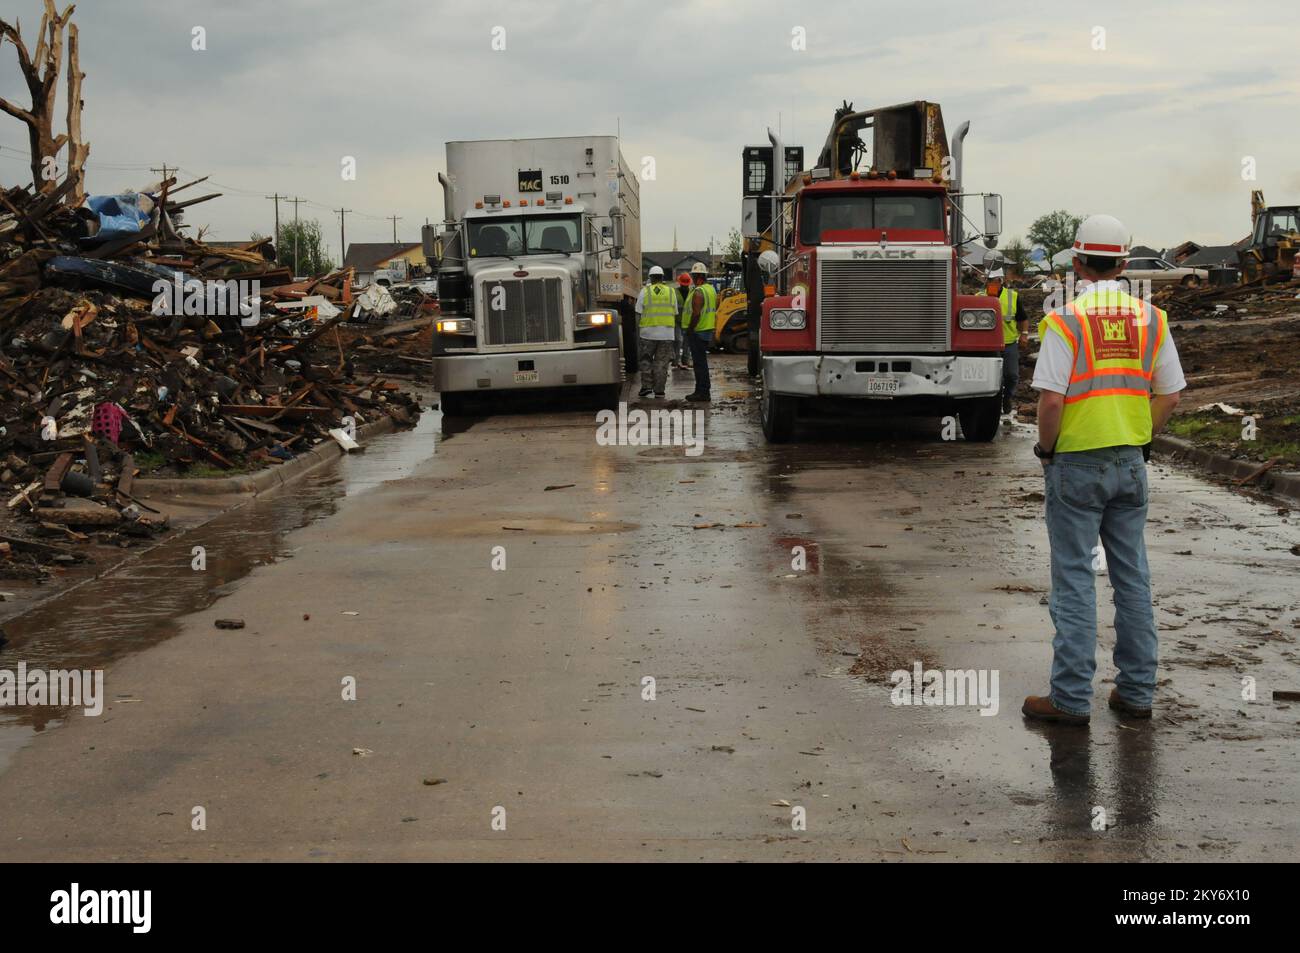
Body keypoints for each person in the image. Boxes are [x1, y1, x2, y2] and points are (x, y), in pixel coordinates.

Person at [1022, 214, 1186, 726]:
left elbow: (1051, 402)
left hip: (1076, 462)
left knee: (1074, 577)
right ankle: (1136, 692)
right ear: (1122, 261)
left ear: (1076, 262)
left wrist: (1048, 452)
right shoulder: (1151, 319)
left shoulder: (1066, 320)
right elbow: (1171, 394)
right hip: (1130, 462)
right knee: (1132, 575)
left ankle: (1070, 699)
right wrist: (1141, 438)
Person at [634, 265, 678, 398]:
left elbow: (638, 313)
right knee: (662, 362)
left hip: (647, 333)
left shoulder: (645, 291)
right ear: (662, 278)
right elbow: (675, 313)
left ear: (651, 278)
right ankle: (659, 390)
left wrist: (638, 330)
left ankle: (646, 387)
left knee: (646, 360)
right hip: (666, 334)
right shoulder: (671, 292)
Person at [989, 267, 1029, 415]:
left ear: (1000, 281)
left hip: (1009, 342)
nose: (990, 284)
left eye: (993, 281)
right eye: (988, 281)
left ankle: (1007, 397)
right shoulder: (980, 296)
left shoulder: (1012, 296)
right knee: (993, 377)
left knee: (1011, 375)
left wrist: (1024, 335)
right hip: (988, 345)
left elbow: (1023, 319)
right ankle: (993, 402)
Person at [682, 262, 716, 402]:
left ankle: (702, 392)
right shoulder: (711, 289)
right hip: (706, 330)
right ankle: (703, 390)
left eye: (693, 275)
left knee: (699, 364)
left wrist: (690, 329)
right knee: (702, 363)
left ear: (697, 277)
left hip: (698, 331)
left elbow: (696, 314)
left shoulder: (698, 291)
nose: (692, 278)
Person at [674, 272, 693, 368]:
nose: (685, 286)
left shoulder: (692, 292)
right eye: (683, 284)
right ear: (680, 283)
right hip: (677, 321)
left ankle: (686, 360)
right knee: (678, 340)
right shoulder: (674, 292)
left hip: (687, 322)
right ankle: (676, 360)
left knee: (687, 342)